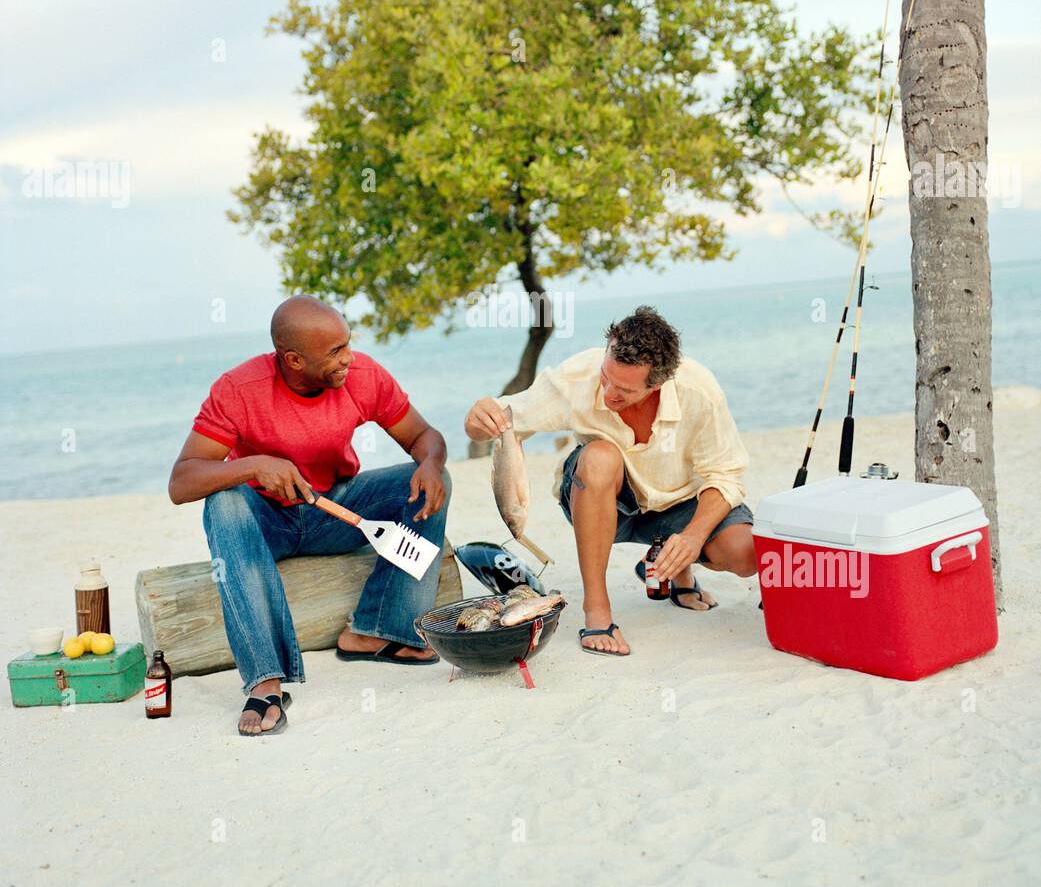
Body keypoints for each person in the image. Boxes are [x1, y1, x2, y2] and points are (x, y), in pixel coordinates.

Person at [169, 295, 451, 735]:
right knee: (223, 500)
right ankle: (266, 681)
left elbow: (423, 435)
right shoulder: (238, 390)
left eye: (347, 344)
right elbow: (181, 482)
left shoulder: (361, 375)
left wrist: (431, 463)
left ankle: (379, 631)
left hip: (335, 512)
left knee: (430, 479)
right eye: (335, 351)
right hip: (268, 525)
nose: (349, 358)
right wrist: (253, 465)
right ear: (294, 359)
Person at [464, 306, 756, 658]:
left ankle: (674, 565)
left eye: (624, 390)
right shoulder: (577, 378)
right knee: (600, 456)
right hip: (606, 504)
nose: (608, 393)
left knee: (745, 554)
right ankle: (597, 607)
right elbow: (504, 418)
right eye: (607, 378)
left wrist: (694, 537)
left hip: (681, 503)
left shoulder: (700, 391)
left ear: (659, 383)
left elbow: (725, 475)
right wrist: (477, 419)